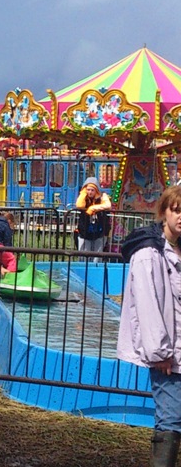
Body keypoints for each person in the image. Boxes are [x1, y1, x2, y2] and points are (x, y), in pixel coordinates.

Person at [117, 186, 181, 465]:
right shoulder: (148, 254)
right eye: (176, 210)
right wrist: (159, 352)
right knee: (170, 419)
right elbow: (147, 305)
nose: (180, 216)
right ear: (164, 212)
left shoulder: (176, 250)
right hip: (169, 356)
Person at [75, 176, 111, 255]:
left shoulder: (103, 196)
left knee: (97, 256)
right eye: (88, 190)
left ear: (96, 190)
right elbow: (79, 205)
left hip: (100, 231)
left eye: (92, 190)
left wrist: (93, 208)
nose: (90, 192)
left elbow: (108, 205)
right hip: (85, 231)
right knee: (83, 255)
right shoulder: (84, 197)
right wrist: (83, 192)